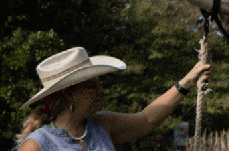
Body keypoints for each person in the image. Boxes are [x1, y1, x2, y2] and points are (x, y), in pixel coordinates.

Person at [16, 46, 210, 151]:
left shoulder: (101, 125)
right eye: (92, 86)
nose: (100, 91)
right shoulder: (36, 145)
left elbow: (147, 119)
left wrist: (187, 82)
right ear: (68, 94)